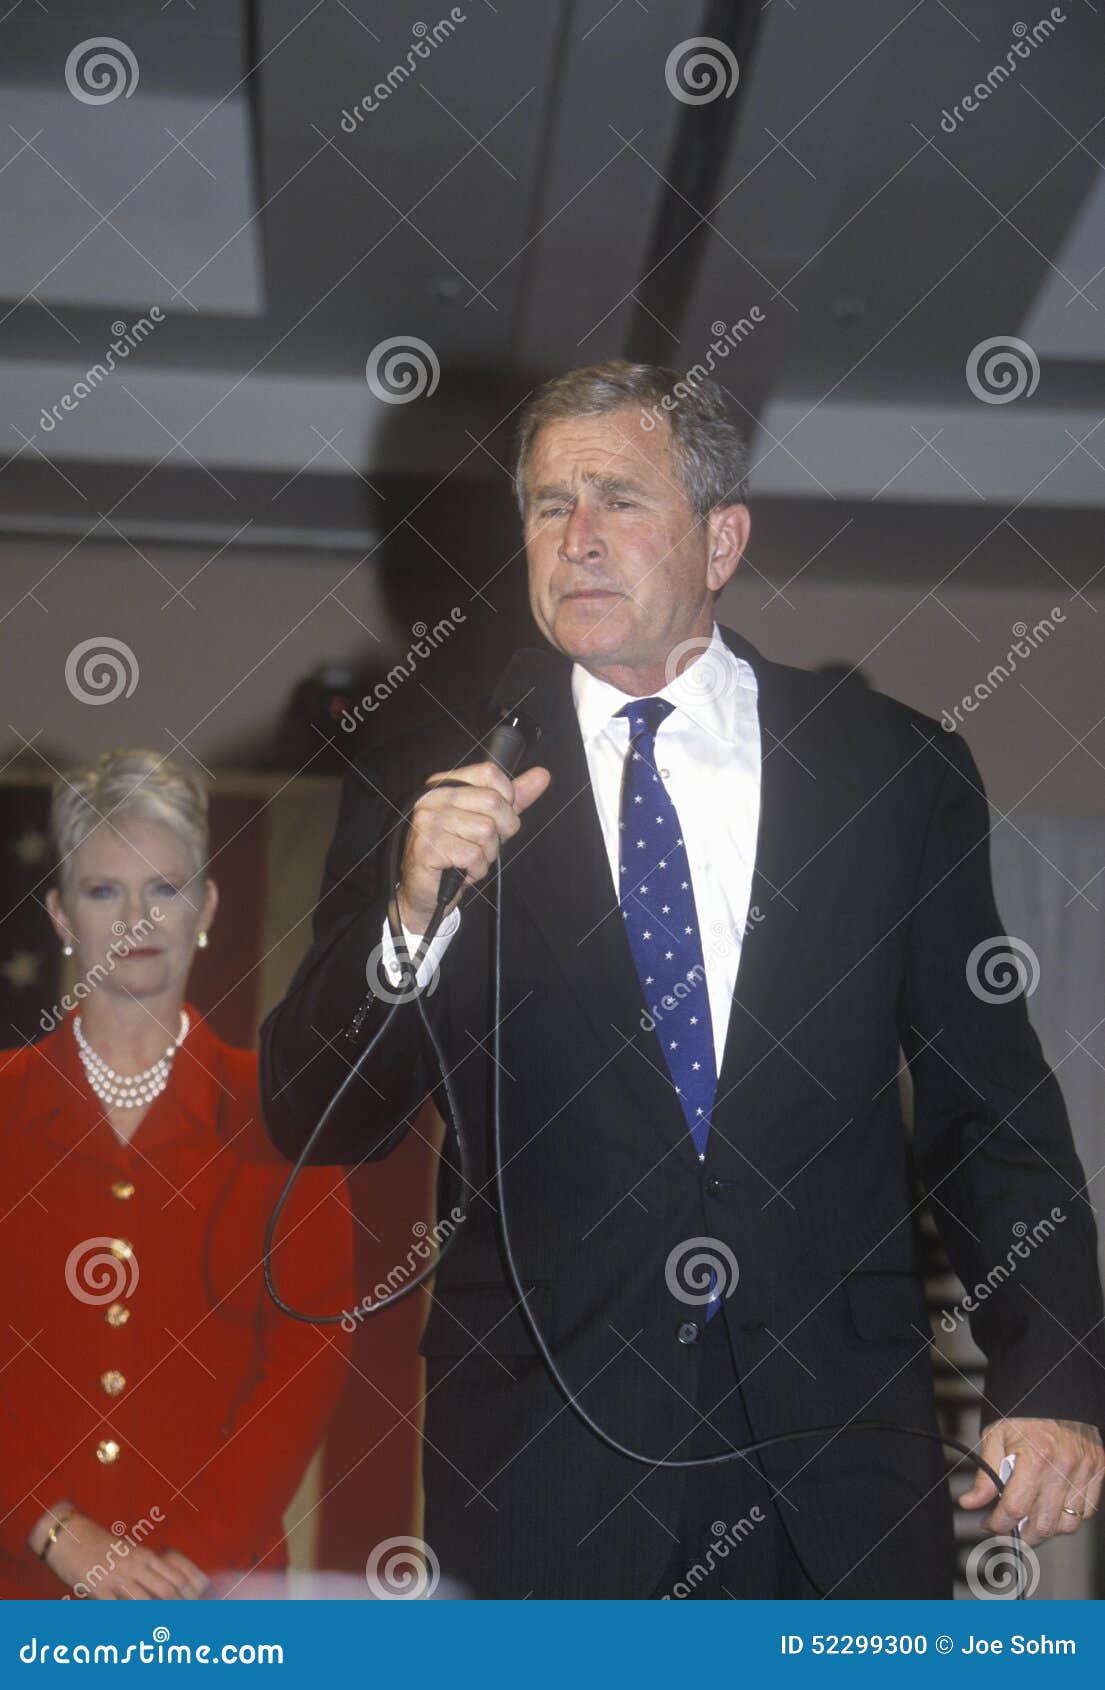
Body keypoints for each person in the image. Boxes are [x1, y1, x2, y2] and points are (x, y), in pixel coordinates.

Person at [259, 361, 1105, 1599]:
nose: (578, 538)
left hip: (838, 1460)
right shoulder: (423, 787)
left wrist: (1052, 1370)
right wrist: (410, 916)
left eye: (619, 499)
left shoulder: (886, 770)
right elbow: (315, 1118)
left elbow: (991, 1104)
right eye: (550, 505)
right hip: (546, 1463)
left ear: (721, 540)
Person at [0, 750, 354, 1599]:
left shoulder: (280, 1116)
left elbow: (307, 1359)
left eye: (164, 888)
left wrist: (196, 1558)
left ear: (207, 906)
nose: (136, 919)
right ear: (59, 914)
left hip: (218, 1597)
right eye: (103, 891)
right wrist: (50, 1528)